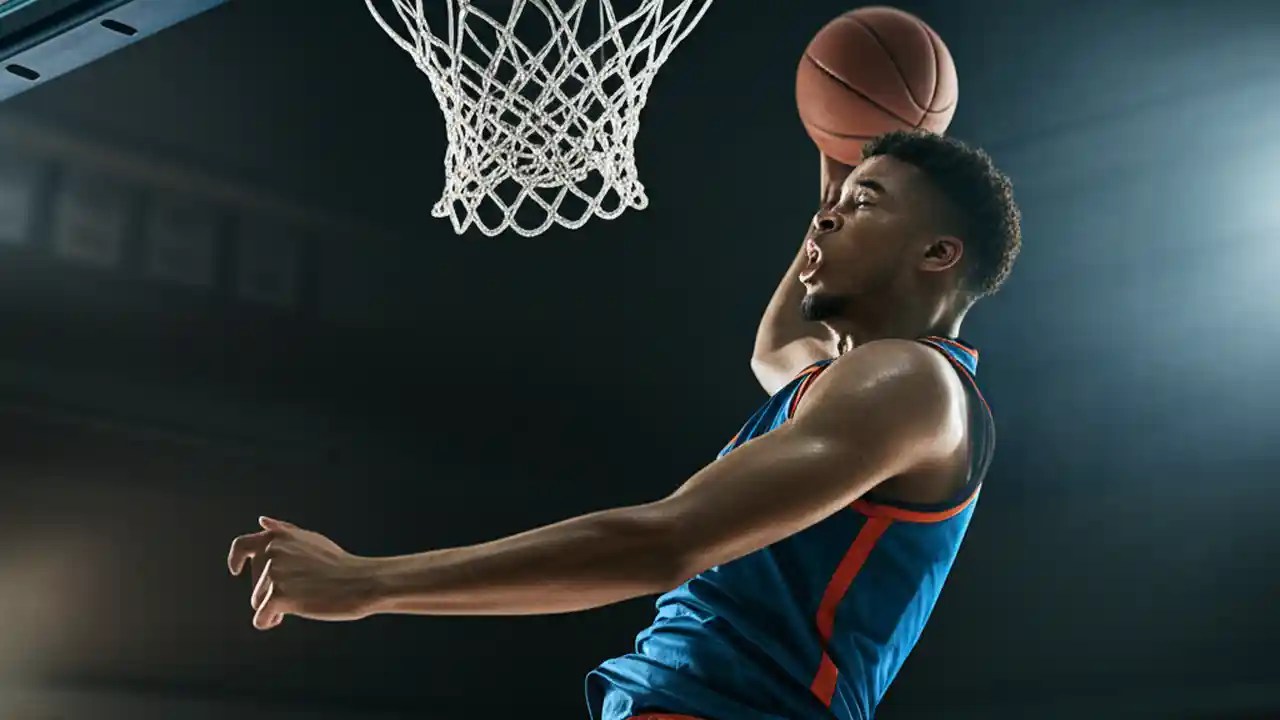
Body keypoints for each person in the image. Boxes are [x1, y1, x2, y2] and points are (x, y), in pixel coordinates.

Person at [227, 129, 1023, 720]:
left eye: (863, 206)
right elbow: (779, 345)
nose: (824, 220)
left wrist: (367, 582)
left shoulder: (910, 380)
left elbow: (666, 541)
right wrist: (836, 178)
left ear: (939, 253)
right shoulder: (849, 385)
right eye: (831, 206)